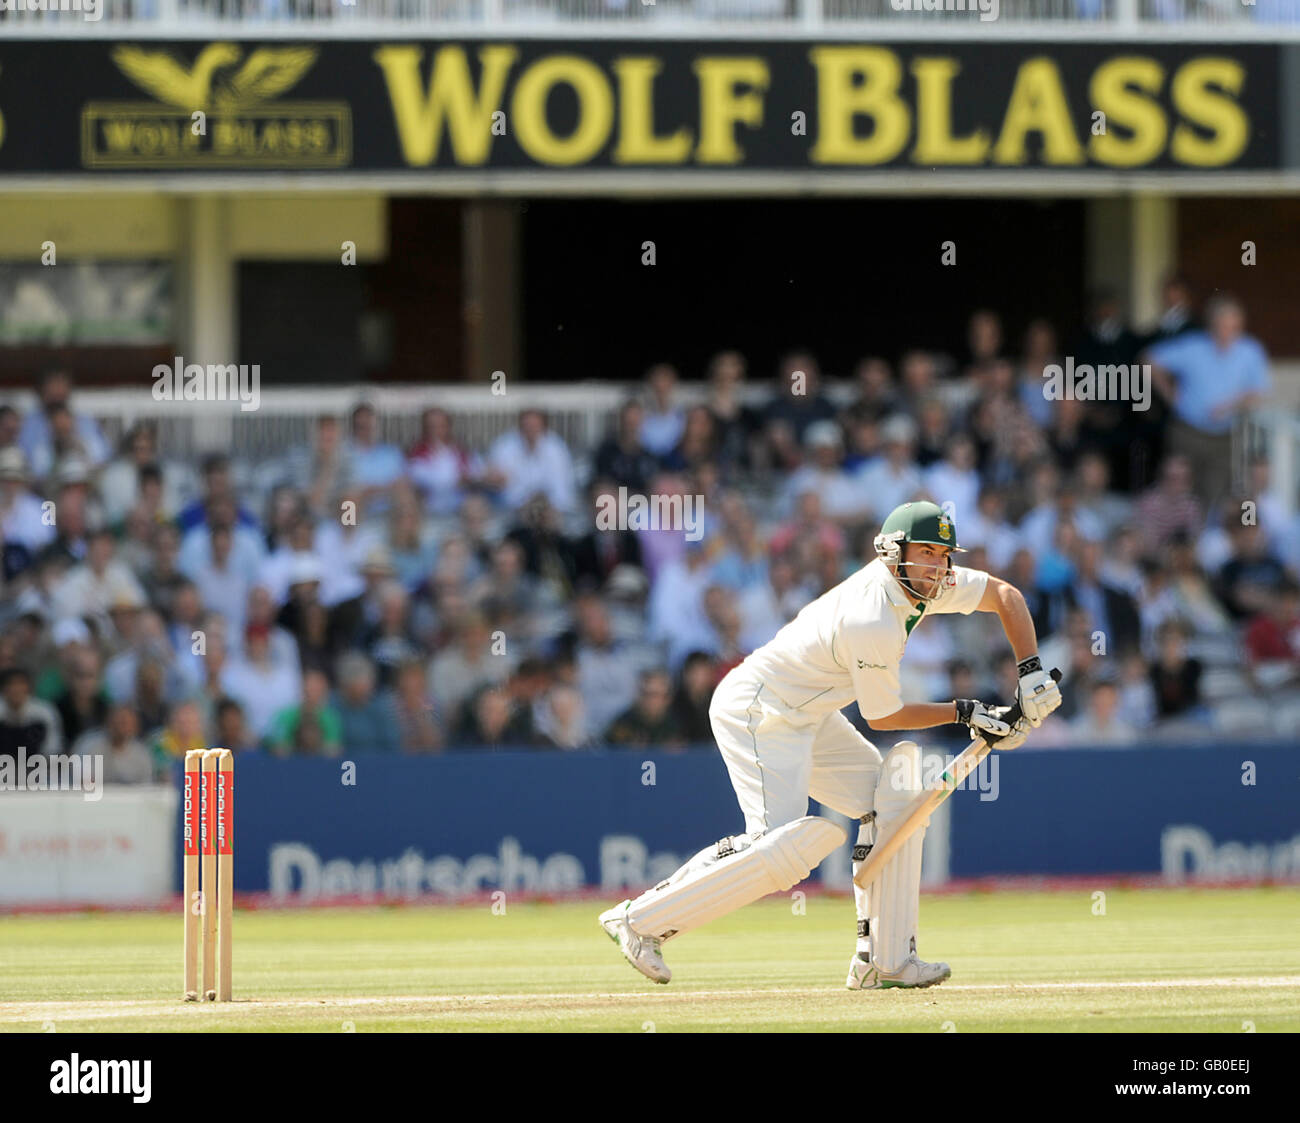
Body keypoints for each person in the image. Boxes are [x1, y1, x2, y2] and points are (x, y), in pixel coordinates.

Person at [597, 501, 1062, 990]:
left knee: (895, 806)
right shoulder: (872, 617)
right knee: (774, 850)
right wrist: (967, 712)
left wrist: (1029, 672)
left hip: (811, 714)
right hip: (760, 710)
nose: (938, 566)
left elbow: (1005, 594)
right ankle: (637, 920)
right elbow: (884, 717)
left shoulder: (933, 581)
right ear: (891, 553)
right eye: (925, 553)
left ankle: (883, 962)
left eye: (944, 554)